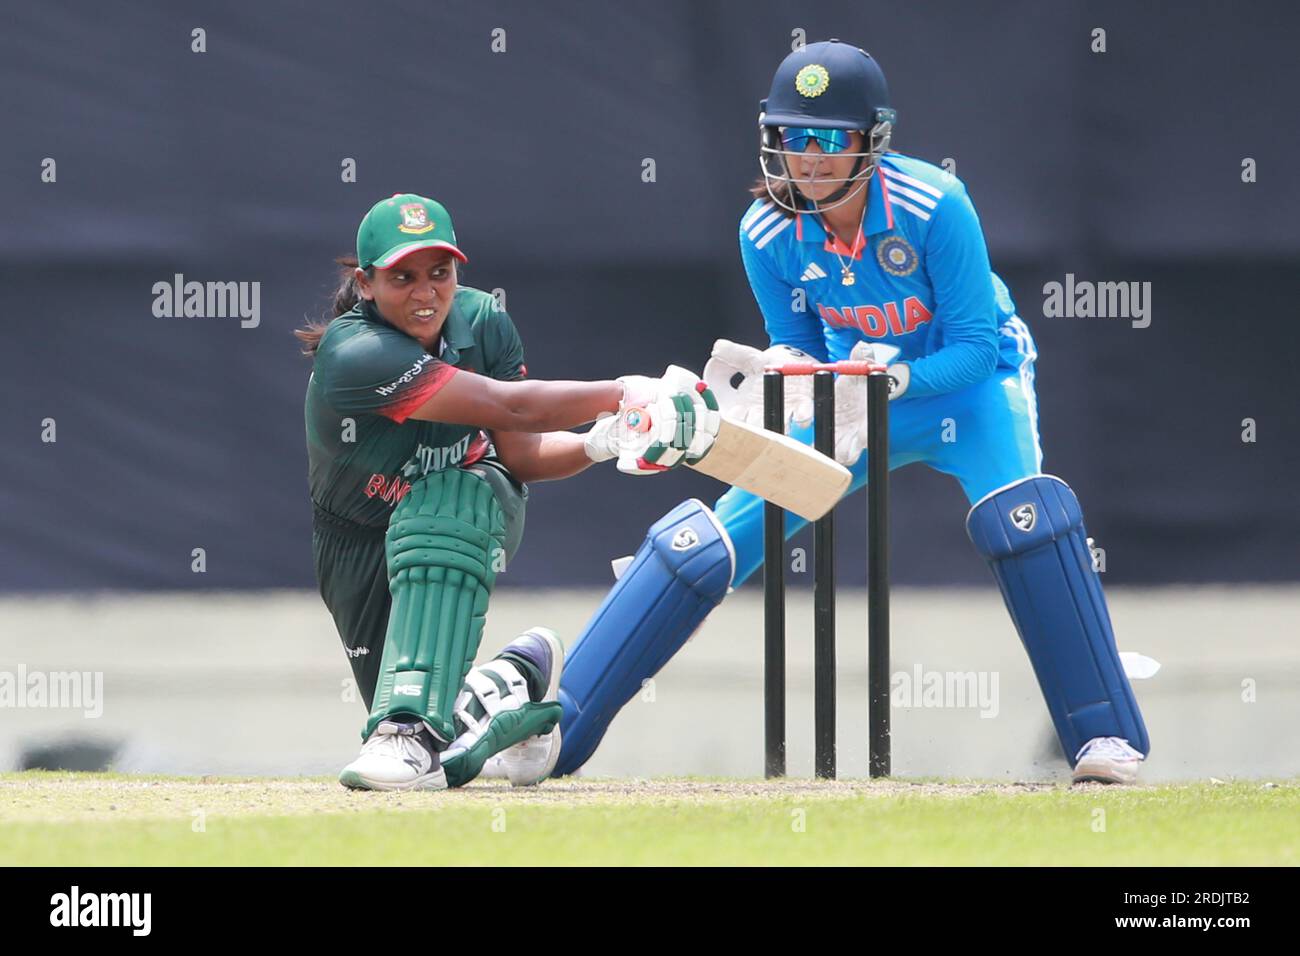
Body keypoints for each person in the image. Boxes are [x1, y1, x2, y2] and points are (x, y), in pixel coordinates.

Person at [550, 40, 1149, 785]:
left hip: (970, 387)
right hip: (855, 398)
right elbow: (797, 345)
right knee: (721, 532)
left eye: (829, 138)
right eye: (792, 137)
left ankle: (1102, 734)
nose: (809, 157)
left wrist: (893, 378)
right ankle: (559, 727)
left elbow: (973, 347)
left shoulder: (935, 205)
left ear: (872, 139)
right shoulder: (765, 232)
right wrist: (794, 380)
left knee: (1024, 521)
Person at [298, 193, 720, 791]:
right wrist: (627, 391)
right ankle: (519, 680)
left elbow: (520, 454)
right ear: (366, 283)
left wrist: (601, 443)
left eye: (439, 273)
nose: (426, 293)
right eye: (403, 277)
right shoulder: (356, 352)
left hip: (466, 513)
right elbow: (509, 404)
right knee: (449, 757)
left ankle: (410, 729)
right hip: (356, 541)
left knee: (449, 494)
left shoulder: (484, 322)